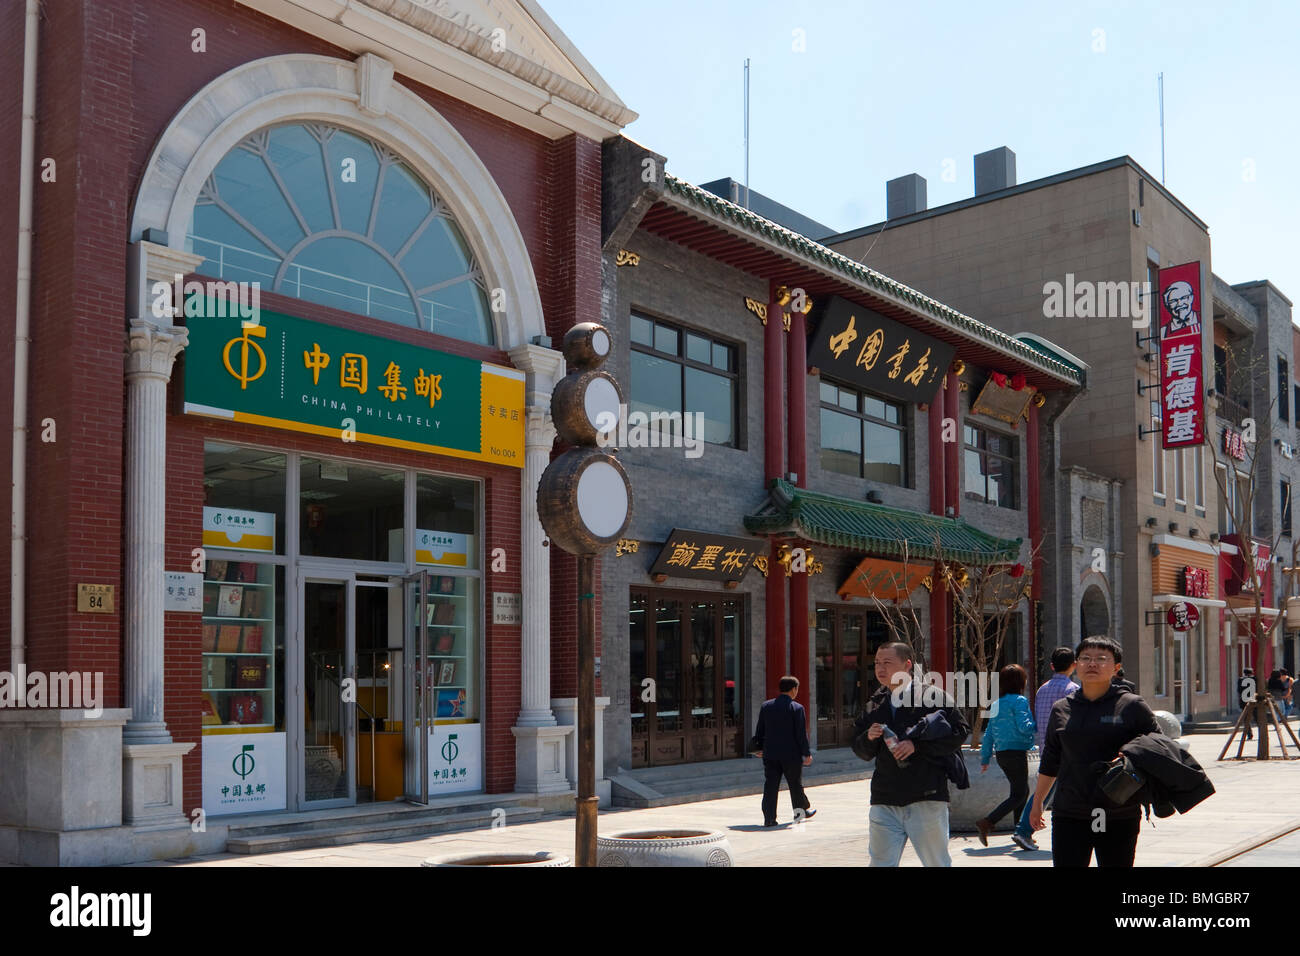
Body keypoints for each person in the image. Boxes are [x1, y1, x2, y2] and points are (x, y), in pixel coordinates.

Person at [1029, 636, 1161, 867]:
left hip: (1118, 811)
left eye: (1101, 658)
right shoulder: (1062, 709)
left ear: (1116, 668)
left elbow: (1159, 747)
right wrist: (1037, 801)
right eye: (1085, 658)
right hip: (1070, 811)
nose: (1092, 664)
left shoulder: (1132, 706)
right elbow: (1051, 759)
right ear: (1076, 665)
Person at [851, 642, 969, 866]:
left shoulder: (933, 697)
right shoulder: (874, 704)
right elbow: (859, 748)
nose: (880, 668)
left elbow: (960, 732)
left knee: (936, 863)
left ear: (907, 665)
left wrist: (917, 746)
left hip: (926, 797)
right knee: (880, 863)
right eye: (877, 663)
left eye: (887, 663)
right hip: (885, 798)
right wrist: (869, 738)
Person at [1011, 646, 1078, 851]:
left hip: (1046, 746)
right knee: (1050, 792)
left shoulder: (1042, 689)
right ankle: (1024, 830)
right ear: (1074, 665)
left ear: (1051, 666)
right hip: (1066, 750)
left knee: (1045, 790)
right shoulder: (1073, 689)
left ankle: (1024, 830)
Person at [975, 664, 1036, 847]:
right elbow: (1024, 727)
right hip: (1016, 752)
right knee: (1020, 793)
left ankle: (1020, 831)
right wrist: (1041, 723)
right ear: (1021, 682)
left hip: (1002, 754)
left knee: (1019, 792)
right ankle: (988, 822)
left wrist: (985, 757)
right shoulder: (1020, 701)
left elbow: (989, 734)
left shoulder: (995, 704)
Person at [751, 675, 815, 827]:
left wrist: (759, 748)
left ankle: (769, 819)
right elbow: (801, 734)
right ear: (793, 689)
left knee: (771, 786)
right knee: (795, 785)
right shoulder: (797, 708)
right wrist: (806, 753)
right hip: (791, 755)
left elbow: (760, 729)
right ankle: (799, 814)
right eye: (797, 689)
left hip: (770, 753)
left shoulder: (766, 706)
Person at [1238, 667, 1256, 740]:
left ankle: (1249, 733)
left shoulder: (1241, 679)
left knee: (1246, 718)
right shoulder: (1255, 679)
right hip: (1254, 700)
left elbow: (1239, 690)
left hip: (1244, 700)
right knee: (1257, 716)